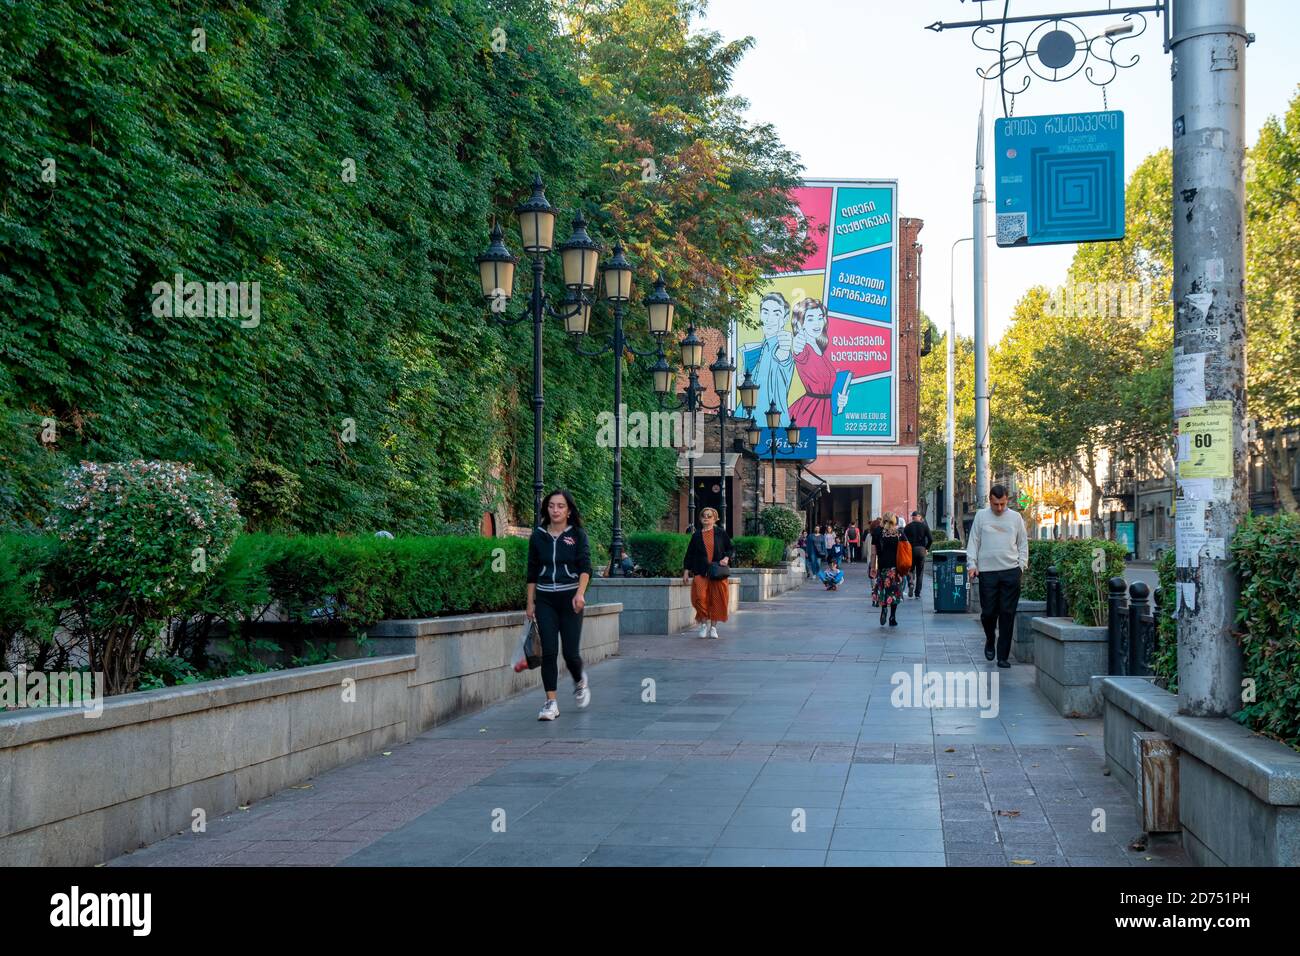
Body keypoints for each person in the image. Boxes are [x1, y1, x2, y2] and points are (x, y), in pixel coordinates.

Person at [526, 489, 593, 721]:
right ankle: (550, 702)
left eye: (560, 506)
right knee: (549, 652)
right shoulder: (538, 536)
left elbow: (585, 567)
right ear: (547, 509)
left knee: (570, 653)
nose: (555, 510)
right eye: (552, 506)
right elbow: (532, 571)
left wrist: (580, 593)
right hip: (545, 599)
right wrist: (530, 603)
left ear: (569, 510)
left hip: (570, 599)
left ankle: (579, 680)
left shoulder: (577, 535)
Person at [967, 484, 1030, 668]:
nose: (999, 508)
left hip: (1011, 572)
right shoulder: (981, 516)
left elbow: (1023, 544)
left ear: (1007, 500)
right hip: (987, 572)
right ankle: (989, 639)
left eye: (1002, 504)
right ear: (990, 501)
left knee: (1007, 614)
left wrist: (1021, 567)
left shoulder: (1016, 518)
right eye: (996, 504)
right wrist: (972, 564)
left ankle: (1002, 656)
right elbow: (973, 542)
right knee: (988, 613)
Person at [788, 299, 850, 433]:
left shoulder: (820, 349)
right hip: (809, 413)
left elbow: (828, 387)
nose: (817, 323)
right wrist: (796, 343)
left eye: (820, 317)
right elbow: (798, 352)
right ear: (800, 324)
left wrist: (838, 402)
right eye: (810, 319)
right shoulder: (803, 347)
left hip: (825, 410)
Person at [743, 292, 795, 425]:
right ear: (760, 315)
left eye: (776, 314)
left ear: (784, 319)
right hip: (748, 423)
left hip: (773, 426)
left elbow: (783, 358)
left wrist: (784, 349)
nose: (769, 319)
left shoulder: (780, 349)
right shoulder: (758, 350)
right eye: (765, 312)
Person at [682, 507, 734, 639]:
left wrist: (726, 558)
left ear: (714, 519)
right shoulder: (696, 535)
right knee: (699, 597)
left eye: (709, 516)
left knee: (716, 599)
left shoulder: (720, 533)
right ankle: (704, 625)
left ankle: (713, 628)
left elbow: (730, 548)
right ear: (700, 519)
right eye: (704, 516)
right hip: (700, 570)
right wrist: (686, 571)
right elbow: (690, 554)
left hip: (717, 571)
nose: (706, 518)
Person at [870, 512, 905, 626]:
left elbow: (873, 553)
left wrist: (872, 567)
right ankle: (892, 617)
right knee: (894, 591)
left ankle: (884, 609)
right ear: (894, 520)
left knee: (883, 589)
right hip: (895, 568)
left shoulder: (877, 532)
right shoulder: (899, 533)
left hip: (882, 566)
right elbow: (905, 549)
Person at [902, 510, 933, 599]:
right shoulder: (924, 526)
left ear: (912, 518)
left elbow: (903, 539)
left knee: (909, 569)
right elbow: (931, 539)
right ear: (919, 517)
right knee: (920, 572)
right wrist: (926, 548)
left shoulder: (907, 527)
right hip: (921, 550)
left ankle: (911, 583)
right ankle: (917, 593)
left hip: (910, 551)